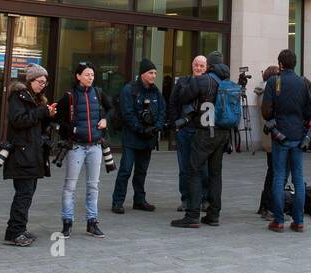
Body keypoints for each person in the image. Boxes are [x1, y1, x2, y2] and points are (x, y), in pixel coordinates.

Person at [169, 52, 232, 229]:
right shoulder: (227, 82)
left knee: (194, 171)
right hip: (223, 133)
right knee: (215, 174)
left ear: (209, 65)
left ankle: (192, 215)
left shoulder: (202, 80)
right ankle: (213, 215)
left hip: (204, 132)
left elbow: (183, 98)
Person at [261, 48, 311, 232]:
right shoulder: (303, 82)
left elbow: (266, 111)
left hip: (280, 135)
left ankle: (278, 220)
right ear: (295, 63)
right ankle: (299, 220)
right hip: (299, 135)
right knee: (298, 178)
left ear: (280, 64)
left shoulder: (273, 81)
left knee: (279, 177)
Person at [55, 61, 112, 238]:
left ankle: (92, 223)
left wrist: (106, 120)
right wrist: (72, 130)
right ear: (78, 76)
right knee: (70, 186)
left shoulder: (98, 93)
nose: (90, 78)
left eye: (92, 75)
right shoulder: (69, 96)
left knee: (93, 186)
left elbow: (113, 109)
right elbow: (58, 120)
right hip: (76, 147)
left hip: (95, 146)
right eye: (87, 74)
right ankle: (67, 222)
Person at [2, 65, 56, 246]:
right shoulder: (19, 97)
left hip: (33, 154)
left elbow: (37, 125)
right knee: (23, 195)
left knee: (27, 194)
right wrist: (42, 111)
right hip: (22, 154)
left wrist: (49, 115)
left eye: (44, 82)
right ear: (31, 80)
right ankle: (16, 233)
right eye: (40, 81)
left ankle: (17, 230)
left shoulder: (36, 99)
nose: (43, 85)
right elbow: (18, 121)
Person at [111, 58, 165, 214]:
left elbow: (162, 111)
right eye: (150, 72)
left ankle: (139, 200)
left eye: (155, 72)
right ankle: (118, 201)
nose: (154, 75)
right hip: (132, 138)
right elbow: (128, 114)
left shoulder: (156, 91)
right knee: (126, 170)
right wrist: (141, 129)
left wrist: (157, 127)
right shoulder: (129, 90)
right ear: (142, 73)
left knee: (142, 171)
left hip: (148, 139)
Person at [172, 55, 211, 212]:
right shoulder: (182, 82)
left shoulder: (209, 84)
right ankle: (186, 199)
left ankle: (204, 199)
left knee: (204, 167)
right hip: (184, 131)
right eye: (196, 65)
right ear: (191, 65)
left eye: (202, 66)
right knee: (184, 167)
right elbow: (173, 103)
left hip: (202, 131)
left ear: (207, 67)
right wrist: (175, 123)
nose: (199, 68)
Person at [255, 64, 280, 216]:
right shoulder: (268, 92)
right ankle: (267, 205)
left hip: (267, 137)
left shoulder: (261, 91)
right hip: (273, 136)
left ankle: (264, 205)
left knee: (272, 171)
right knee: (274, 173)